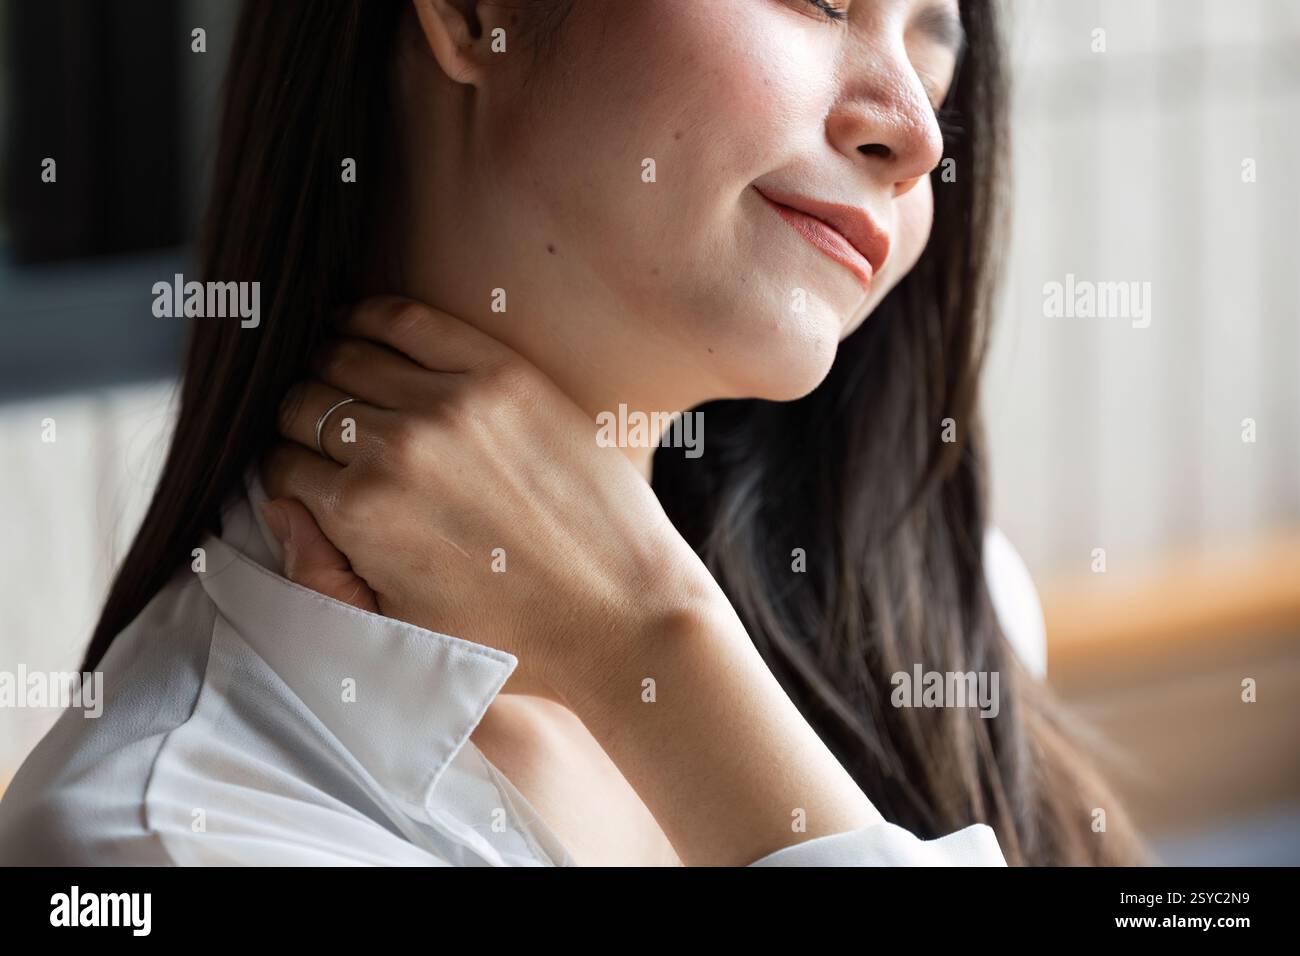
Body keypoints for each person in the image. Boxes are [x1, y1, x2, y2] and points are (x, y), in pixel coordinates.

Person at [0, 0, 1143, 866]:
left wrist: (662, 646)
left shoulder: (931, 610)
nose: (914, 134)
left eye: (933, 64)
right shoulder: (176, 837)